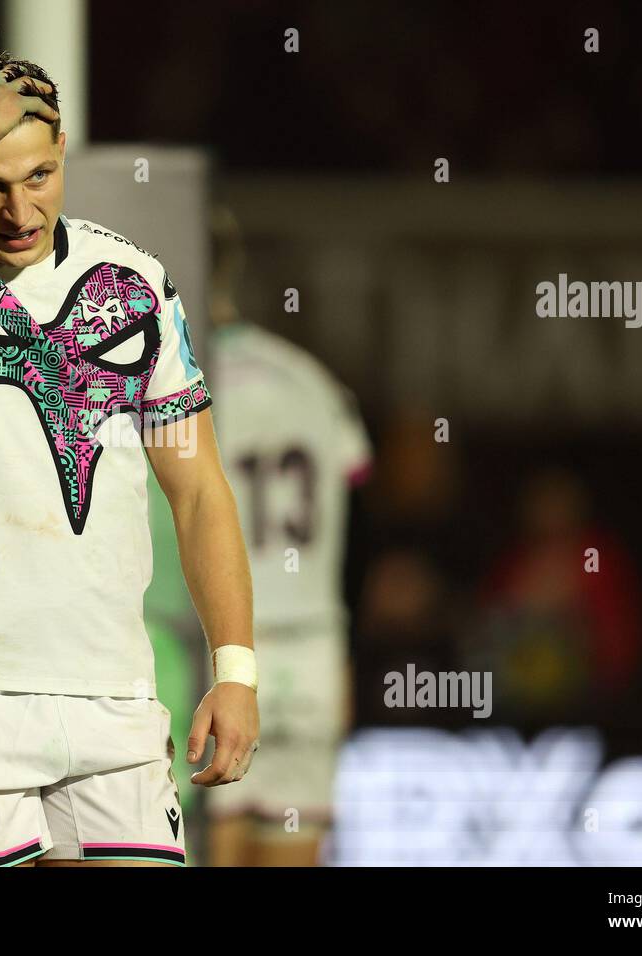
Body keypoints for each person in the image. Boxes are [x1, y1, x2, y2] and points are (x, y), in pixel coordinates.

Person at [0, 52, 258, 867]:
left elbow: (198, 487)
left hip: (115, 696)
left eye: (39, 174)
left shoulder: (135, 284)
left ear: (64, 147)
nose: (18, 210)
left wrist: (235, 668)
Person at [201, 205, 374, 866]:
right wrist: (346, 653)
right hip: (312, 650)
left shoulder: (169, 382)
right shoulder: (311, 380)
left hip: (221, 653)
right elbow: (358, 523)